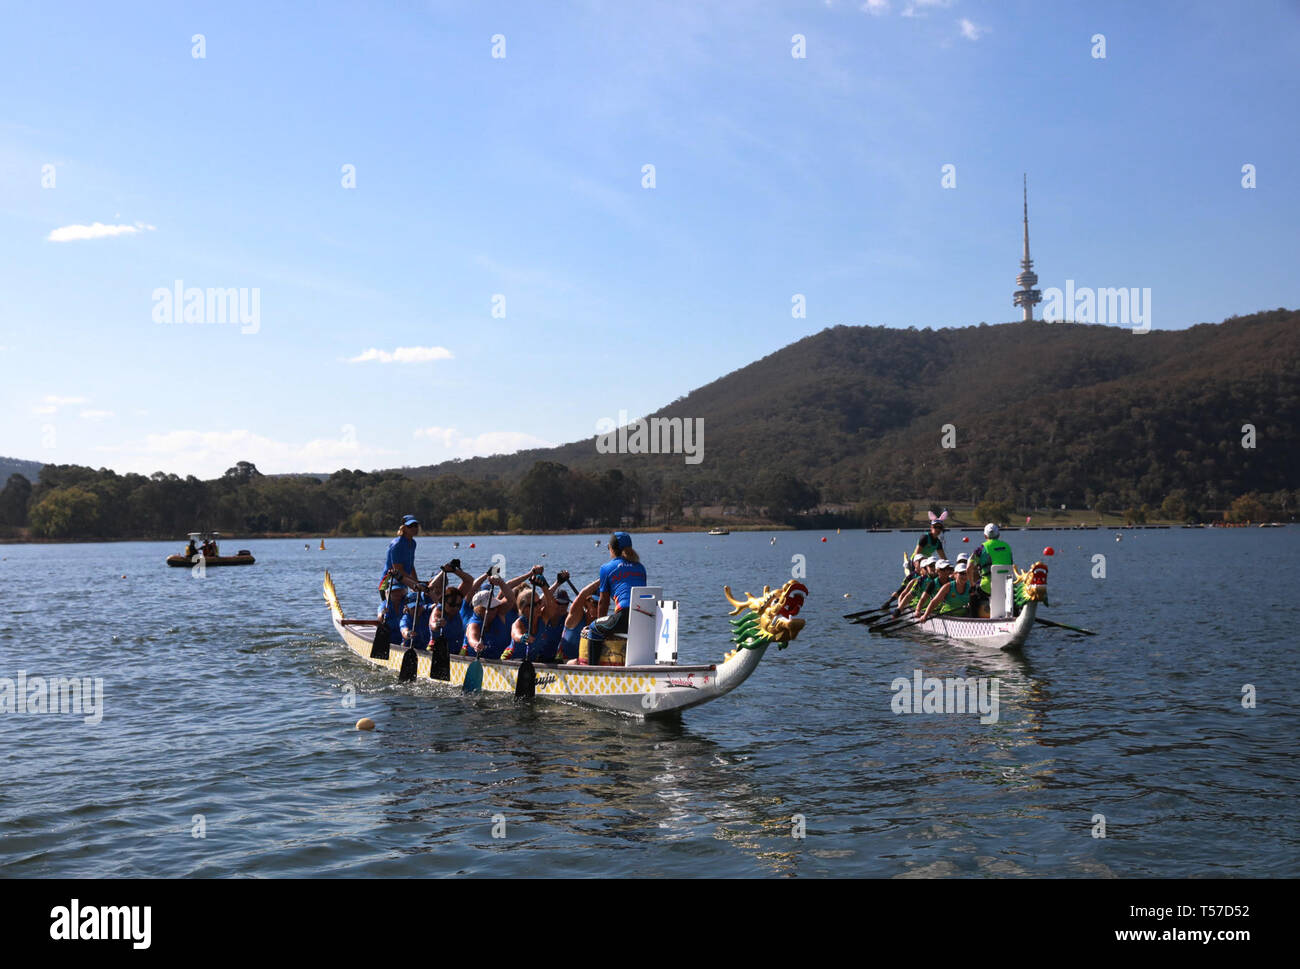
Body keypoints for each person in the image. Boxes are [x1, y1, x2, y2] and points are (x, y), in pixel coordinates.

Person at [586, 532, 648, 643]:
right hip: (644, 619)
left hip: (624, 618)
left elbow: (603, 602)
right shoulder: (640, 567)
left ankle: (594, 661)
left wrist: (601, 629)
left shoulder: (606, 568)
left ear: (611, 548)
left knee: (593, 628)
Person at [969, 523, 1014, 617]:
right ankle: (1014, 615)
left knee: (973, 595)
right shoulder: (1008, 547)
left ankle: (974, 620)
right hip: (1007, 586)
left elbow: (968, 568)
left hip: (988, 587)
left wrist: (972, 584)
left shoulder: (981, 549)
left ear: (985, 536)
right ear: (998, 535)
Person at [379, 515, 421, 600]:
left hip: (403, 581)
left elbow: (411, 565)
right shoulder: (397, 545)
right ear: (404, 528)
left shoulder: (413, 543)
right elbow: (398, 570)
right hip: (387, 583)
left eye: (415, 525)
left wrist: (417, 583)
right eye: (410, 526)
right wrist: (415, 583)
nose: (414, 528)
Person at [560, 579, 600, 663]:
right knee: (576, 662)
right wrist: (602, 578)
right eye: (595, 604)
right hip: (564, 661)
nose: (599, 608)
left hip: (584, 662)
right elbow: (582, 595)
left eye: (601, 604)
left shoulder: (602, 622)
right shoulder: (576, 616)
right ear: (587, 602)